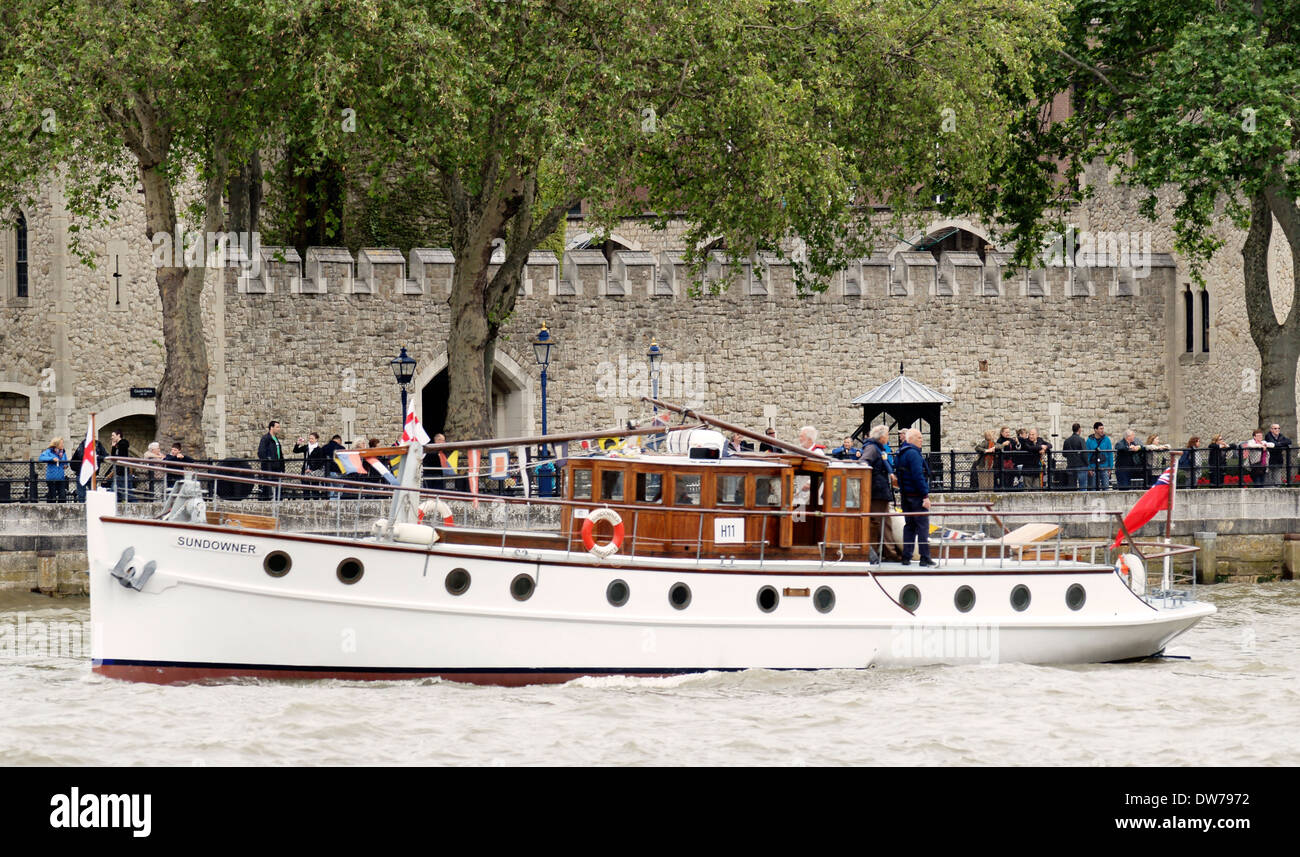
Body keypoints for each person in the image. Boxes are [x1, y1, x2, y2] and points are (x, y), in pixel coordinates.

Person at [894, 429, 935, 567]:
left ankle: (906, 557)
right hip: (917, 496)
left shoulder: (900, 453)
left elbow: (898, 475)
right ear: (910, 439)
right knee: (923, 526)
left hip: (905, 496)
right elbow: (918, 476)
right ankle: (925, 557)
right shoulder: (914, 454)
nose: (921, 440)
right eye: (919, 437)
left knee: (909, 526)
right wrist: (925, 496)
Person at [861, 425, 900, 562]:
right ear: (882, 437)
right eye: (888, 435)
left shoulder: (877, 448)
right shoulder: (872, 449)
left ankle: (886, 551)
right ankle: (889, 552)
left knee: (884, 522)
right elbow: (864, 463)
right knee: (883, 522)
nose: (888, 438)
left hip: (879, 490)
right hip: (877, 491)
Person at [70, 433, 107, 502]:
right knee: (82, 495)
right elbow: (74, 460)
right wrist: (78, 470)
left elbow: (105, 456)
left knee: (93, 494)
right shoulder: (81, 446)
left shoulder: (98, 445)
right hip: (82, 473)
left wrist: (97, 457)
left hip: (92, 473)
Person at [257, 420, 285, 500]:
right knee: (268, 484)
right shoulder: (266, 438)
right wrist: (268, 461)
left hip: (278, 466)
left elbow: (279, 453)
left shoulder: (276, 439)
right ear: (271, 428)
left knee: (278, 485)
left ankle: (278, 500)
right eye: (277, 427)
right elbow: (260, 452)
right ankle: (267, 499)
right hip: (269, 467)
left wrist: (282, 466)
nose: (279, 429)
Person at [38, 437, 68, 503]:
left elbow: (66, 462)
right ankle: (51, 512)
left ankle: (62, 511)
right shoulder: (49, 451)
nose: (63, 445)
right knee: (52, 497)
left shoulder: (63, 453)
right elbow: (41, 458)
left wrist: (66, 465)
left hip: (61, 478)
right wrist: (52, 459)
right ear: (56, 444)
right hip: (51, 478)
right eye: (61, 443)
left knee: (62, 496)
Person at [1085, 422, 1113, 490]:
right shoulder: (1089, 440)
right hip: (1093, 467)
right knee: (1093, 488)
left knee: (1106, 488)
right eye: (1100, 429)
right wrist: (1088, 468)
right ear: (1095, 430)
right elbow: (1087, 455)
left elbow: (1110, 454)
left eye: (1103, 428)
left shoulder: (1107, 440)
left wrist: (1110, 467)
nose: (1102, 430)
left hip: (1104, 467)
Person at [1062, 423, 1087, 491]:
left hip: (1070, 465)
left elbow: (1064, 454)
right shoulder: (1081, 440)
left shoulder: (1067, 441)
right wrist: (1087, 464)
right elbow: (1084, 453)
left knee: (1072, 488)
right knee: (1083, 487)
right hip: (1081, 465)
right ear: (1079, 429)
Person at [108, 430, 130, 501]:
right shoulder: (117, 445)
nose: (112, 437)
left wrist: (116, 445)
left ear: (118, 435)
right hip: (118, 471)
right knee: (118, 490)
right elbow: (113, 457)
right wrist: (113, 447)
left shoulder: (123, 443)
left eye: (113, 435)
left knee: (119, 490)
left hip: (122, 471)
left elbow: (121, 455)